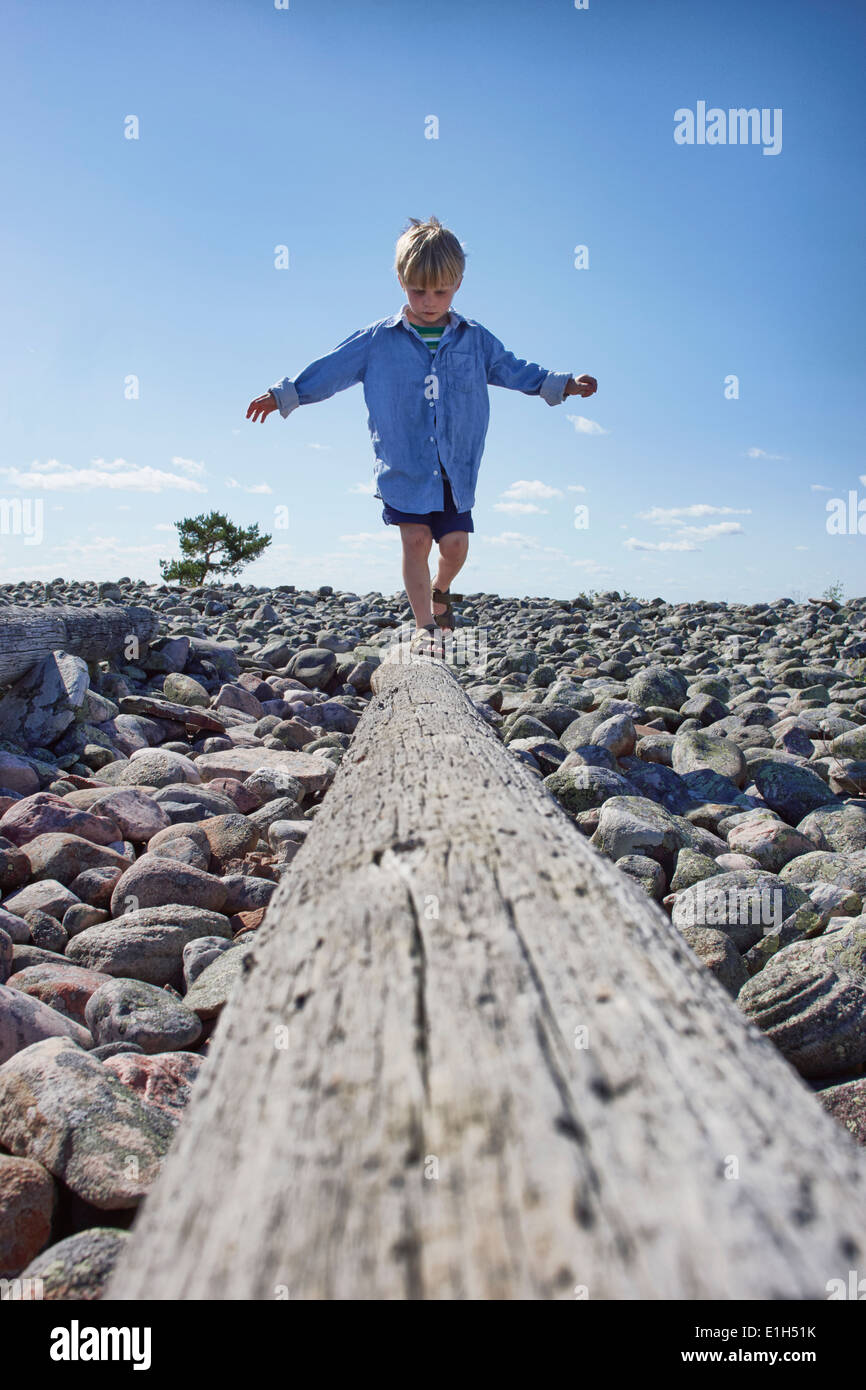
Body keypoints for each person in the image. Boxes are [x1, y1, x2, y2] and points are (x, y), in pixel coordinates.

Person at [247, 215, 597, 653]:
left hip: (455, 467)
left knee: (454, 544)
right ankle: (424, 626)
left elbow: (514, 369)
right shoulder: (378, 340)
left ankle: (441, 586)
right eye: (418, 290)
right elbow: (331, 368)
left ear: (458, 284)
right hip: (405, 466)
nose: (429, 301)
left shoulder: (475, 340)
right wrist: (285, 395)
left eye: (441, 291)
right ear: (400, 280)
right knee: (415, 540)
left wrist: (562, 383)